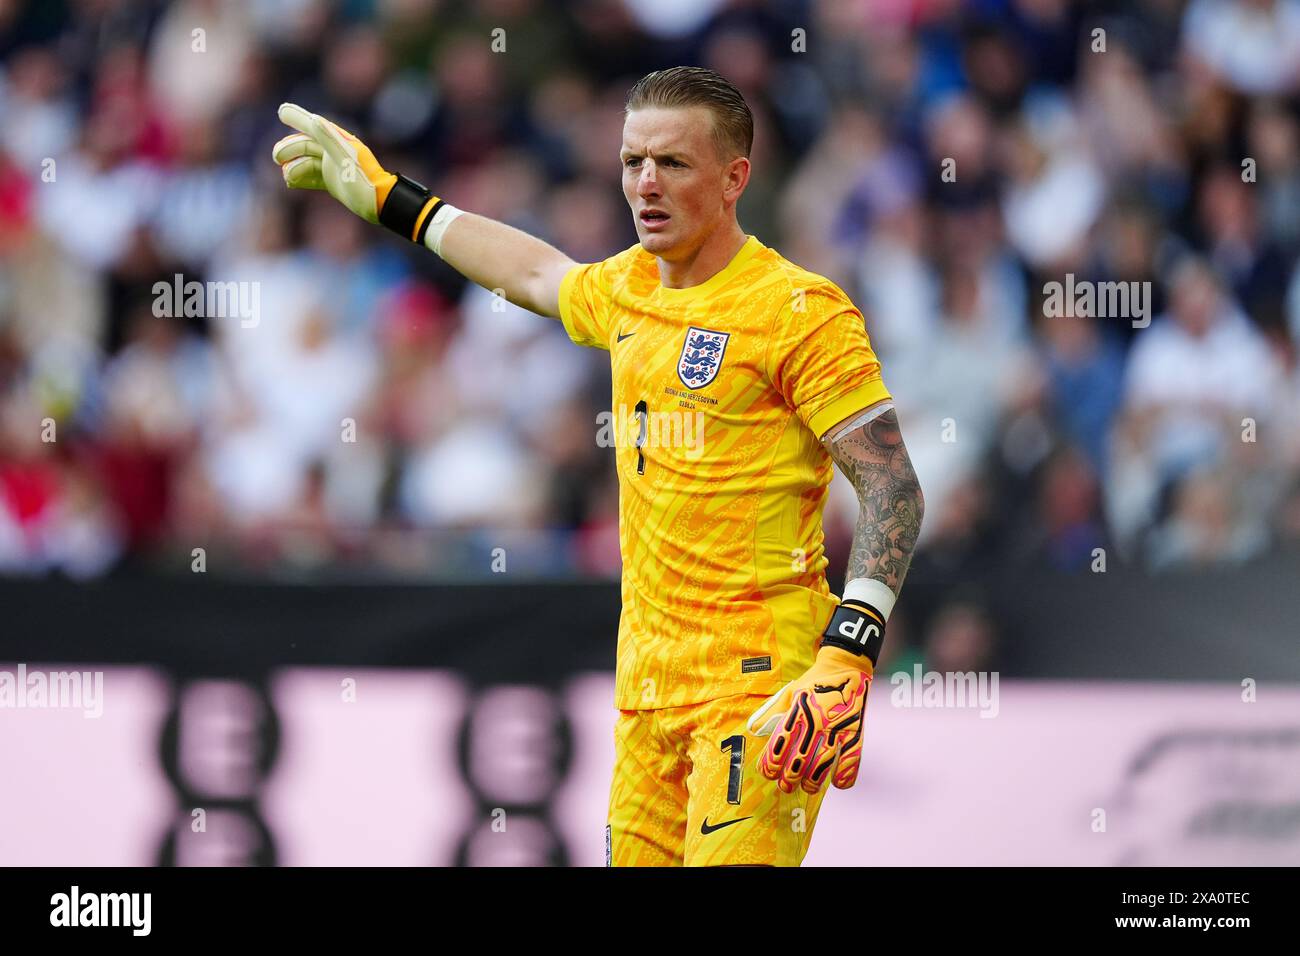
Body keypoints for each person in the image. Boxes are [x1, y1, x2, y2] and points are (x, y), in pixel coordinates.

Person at [272, 66, 924, 867]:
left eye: (673, 164)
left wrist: (848, 655)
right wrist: (389, 197)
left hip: (760, 689)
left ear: (734, 179)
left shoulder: (799, 312)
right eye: (631, 161)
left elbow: (892, 483)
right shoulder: (627, 289)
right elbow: (535, 272)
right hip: (646, 691)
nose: (646, 183)